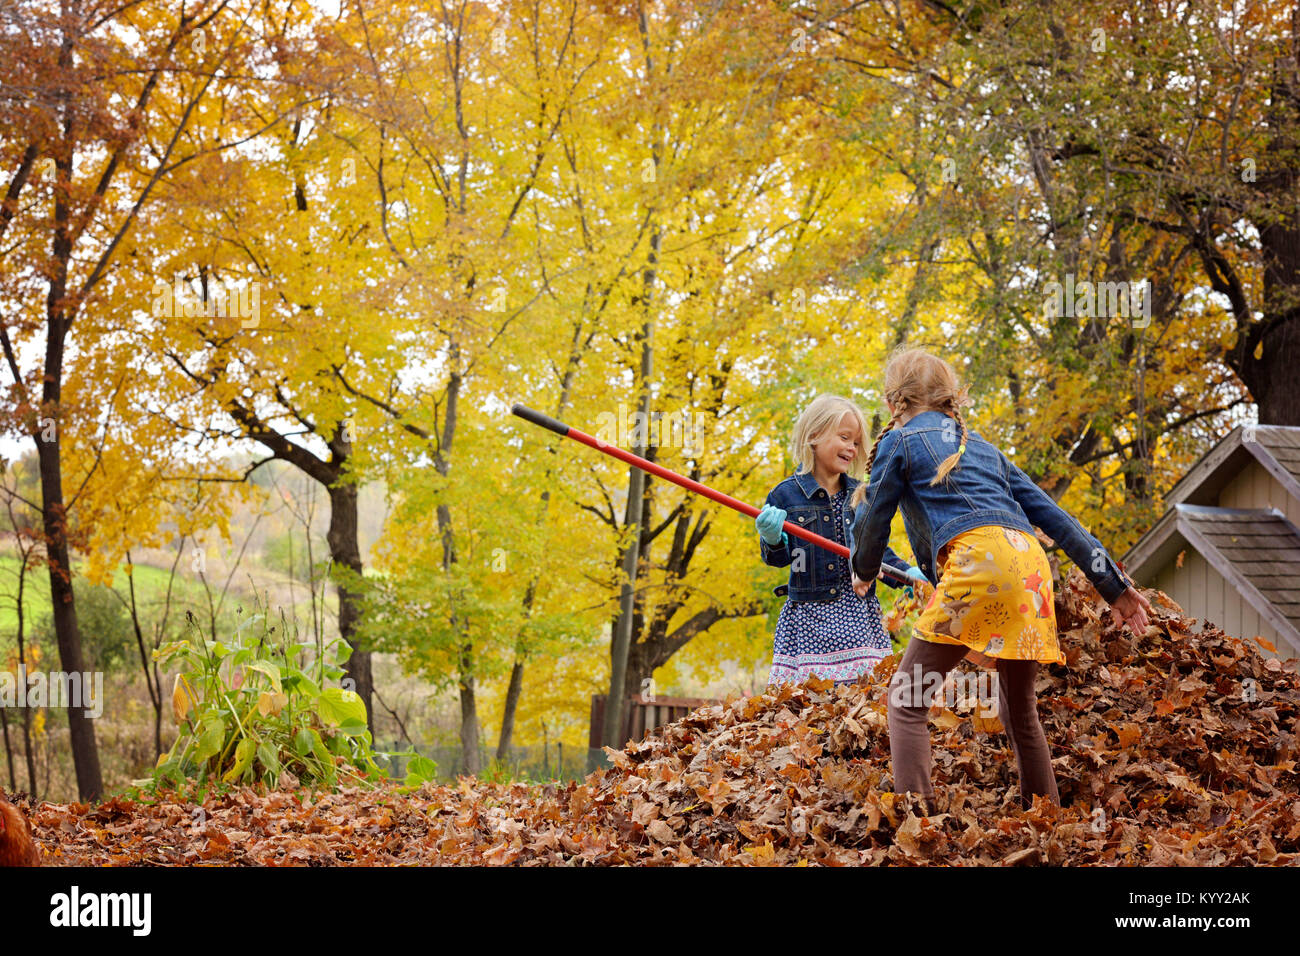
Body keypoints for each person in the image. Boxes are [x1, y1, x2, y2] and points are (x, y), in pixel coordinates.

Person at [849, 348, 1151, 810]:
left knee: (907, 699)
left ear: (895, 404)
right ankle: (1046, 817)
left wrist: (864, 571)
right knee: (1020, 709)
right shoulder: (987, 451)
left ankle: (918, 824)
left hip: (979, 563)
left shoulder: (901, 440)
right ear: (949, 399)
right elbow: (1059, 520)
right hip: (1030, 569)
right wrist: (1114, 587)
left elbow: (874, 521)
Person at [756, 394, 927, 686]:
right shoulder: (784, 496)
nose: (852, 447)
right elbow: (777, 559)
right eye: (845, 437)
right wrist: (772, 539)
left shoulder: (861, 495)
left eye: (857, 442)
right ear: (814, 435)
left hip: (858, 615)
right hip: (808, 619)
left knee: (864, 699)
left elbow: (875, 551)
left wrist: (905, 575)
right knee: (810, 705)